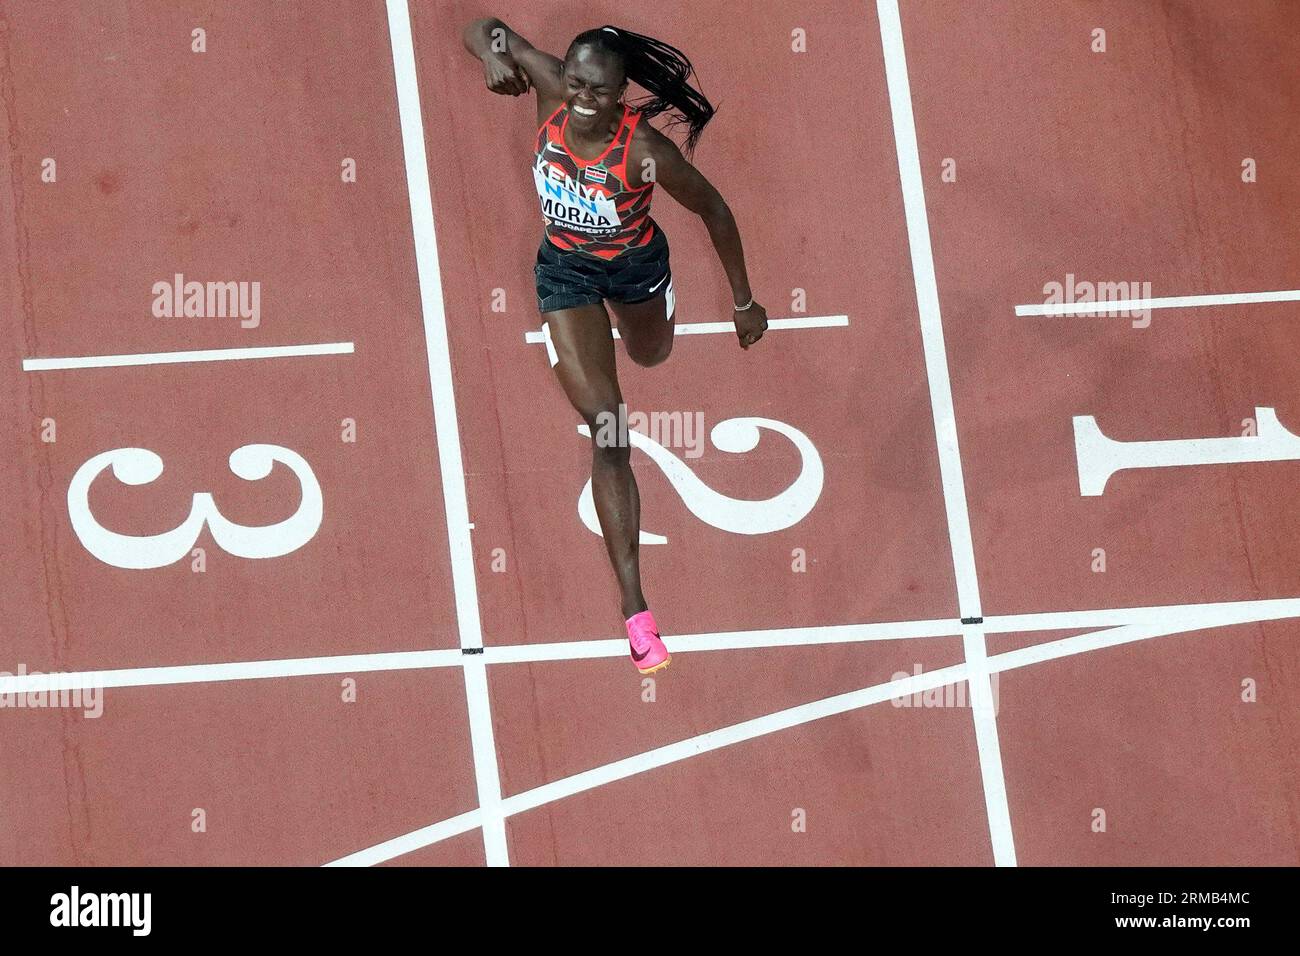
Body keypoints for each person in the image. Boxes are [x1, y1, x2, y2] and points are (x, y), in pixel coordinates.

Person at [462, 19, 768, 674]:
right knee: (609, 428)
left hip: (635, 271)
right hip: (565, 274)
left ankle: (650, 319)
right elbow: (484, 29)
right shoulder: (549, 85)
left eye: (597, 91)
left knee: (651, 354)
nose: (580, 98)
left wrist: (743, 301)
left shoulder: (646, 152)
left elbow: (715, 211)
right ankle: (636, 611)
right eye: (573, 82)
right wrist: (489, 58)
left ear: (621, 91)